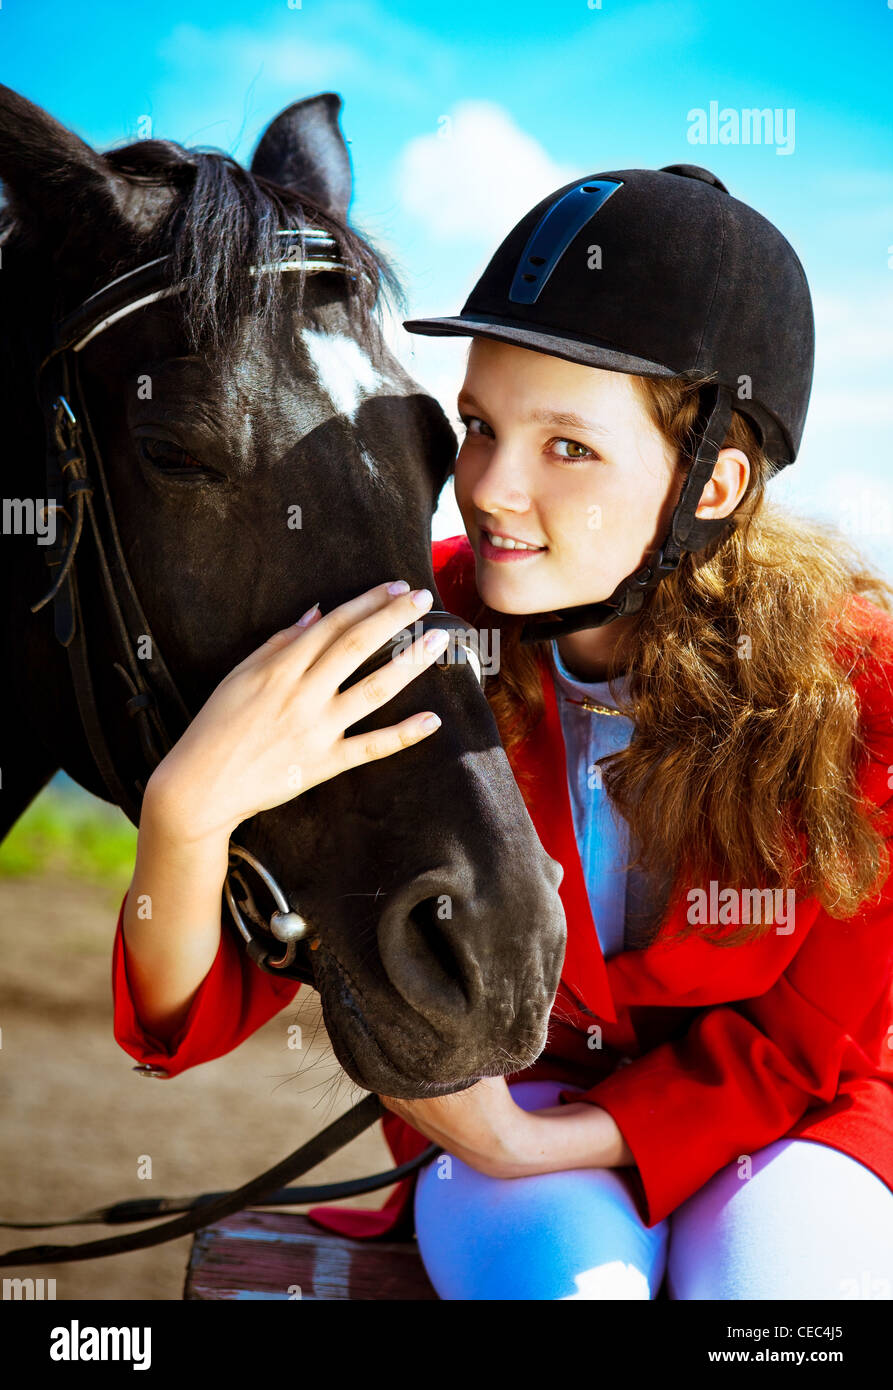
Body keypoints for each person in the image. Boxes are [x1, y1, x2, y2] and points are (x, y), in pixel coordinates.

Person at [112, 165, 893, 1300]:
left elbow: (798, 1046)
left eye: (564, 447)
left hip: (792, 1128)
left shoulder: (865, 688)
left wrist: (529, 1144)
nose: (484, 488)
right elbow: (195, 1016)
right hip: (499, 1116)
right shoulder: (399, 634)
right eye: (477, 425)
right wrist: (183, 818)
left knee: (784, 1293)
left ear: (712, 483)